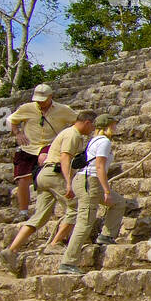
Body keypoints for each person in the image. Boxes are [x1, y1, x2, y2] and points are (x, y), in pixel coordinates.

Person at [0, 110, 97, 273]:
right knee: (76, 208)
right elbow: (65, 158)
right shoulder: (73, 135)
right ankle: (55, 243)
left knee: (39, 216)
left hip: (43, 175)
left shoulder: (67, 133)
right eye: (92, 126)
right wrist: (68, 183)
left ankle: (11, 250)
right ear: (87, 122)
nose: (92, 129)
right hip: (54, 174)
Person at [58, 114, 127, 275]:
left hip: (86, 181)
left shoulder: (94, 140)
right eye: (113, 125)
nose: (115, 128)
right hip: (91, 181)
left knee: (119, 202)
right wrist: (107, 191)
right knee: (84, 223)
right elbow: (100, 167)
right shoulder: (104, 142)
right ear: (108, 126)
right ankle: (68, 262)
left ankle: (107, 235)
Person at [6, 84, 76, 221]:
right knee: (22, 179)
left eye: (43, 100)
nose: (40, 103)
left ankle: (58, 208)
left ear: (51, 97)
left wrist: (65, 138)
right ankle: (23, 212)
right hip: (29, 146)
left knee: (44, 163)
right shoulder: (27, 108)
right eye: (38, 100)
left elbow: (77, 121)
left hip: (50, 145)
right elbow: (11, 120)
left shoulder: (63, 110)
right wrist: (18, 133)